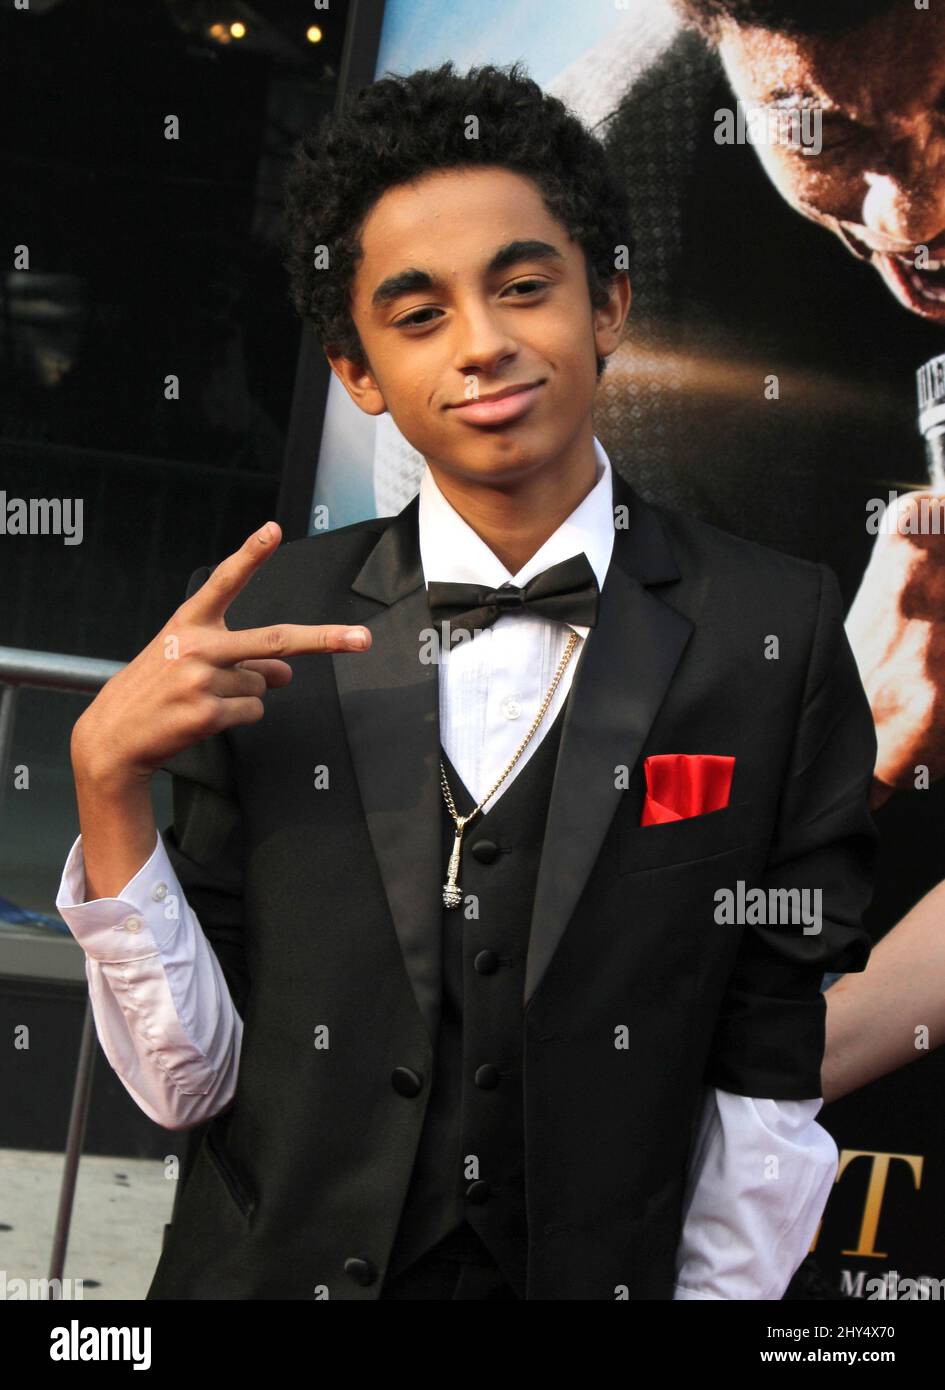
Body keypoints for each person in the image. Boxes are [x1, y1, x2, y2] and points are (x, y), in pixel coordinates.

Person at [56, 61, 878, 1301]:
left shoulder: (777, 626)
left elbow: (766, 1059)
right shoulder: (269, 622)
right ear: (359, 373)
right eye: (419, 311)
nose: (484, 344)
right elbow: (191, 1082)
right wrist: (104, 785)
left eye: (523, 287)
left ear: (610, 303)